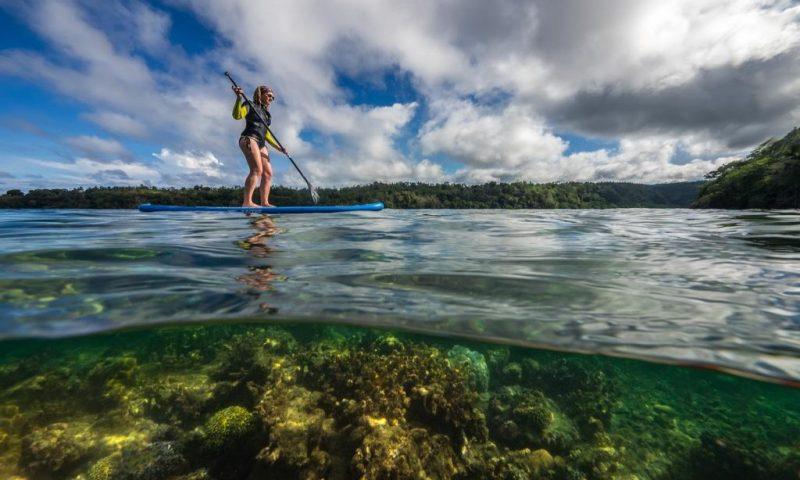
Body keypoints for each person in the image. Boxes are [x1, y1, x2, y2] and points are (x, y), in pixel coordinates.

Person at [232, 85, 288, 207]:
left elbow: (266, 134)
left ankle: (265, 202)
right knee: (257, 170)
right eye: (268, 96)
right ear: (260, 94)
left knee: (268, 173)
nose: (270, 99)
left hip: (261, 143)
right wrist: (238, 99)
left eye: (272, 98)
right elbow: (237, 116)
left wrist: (279, 147)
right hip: (249, 138)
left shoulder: (267, 115)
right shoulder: (249, 104)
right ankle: (247, 202)